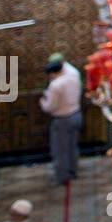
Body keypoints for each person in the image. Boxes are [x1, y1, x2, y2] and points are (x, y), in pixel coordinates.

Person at [39, 52, 82, 185]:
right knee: (72, 146)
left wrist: (43, 102)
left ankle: (62, 177)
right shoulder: (74, 74)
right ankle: (73, 171)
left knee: (60, 150)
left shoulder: (56, 85)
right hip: (76, 114)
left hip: (62, 120)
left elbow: (50, 106)